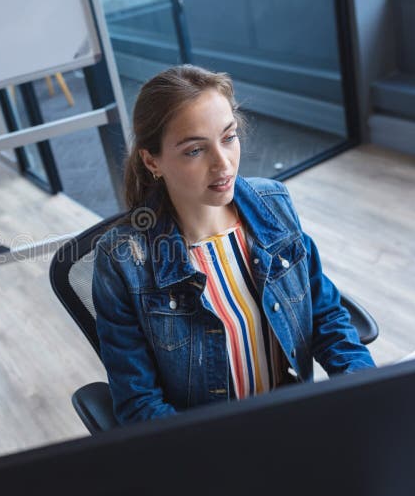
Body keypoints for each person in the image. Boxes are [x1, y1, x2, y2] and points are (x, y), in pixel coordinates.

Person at [91, 65, 375, 425]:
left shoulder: (273, 205)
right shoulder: (122, 261)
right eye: (195, 151)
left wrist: (366, 390)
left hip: (293, 415)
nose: (223, 164)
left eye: (229, 137)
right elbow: (139, 406)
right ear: (152, 161)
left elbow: (326, 316)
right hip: (209, 446)